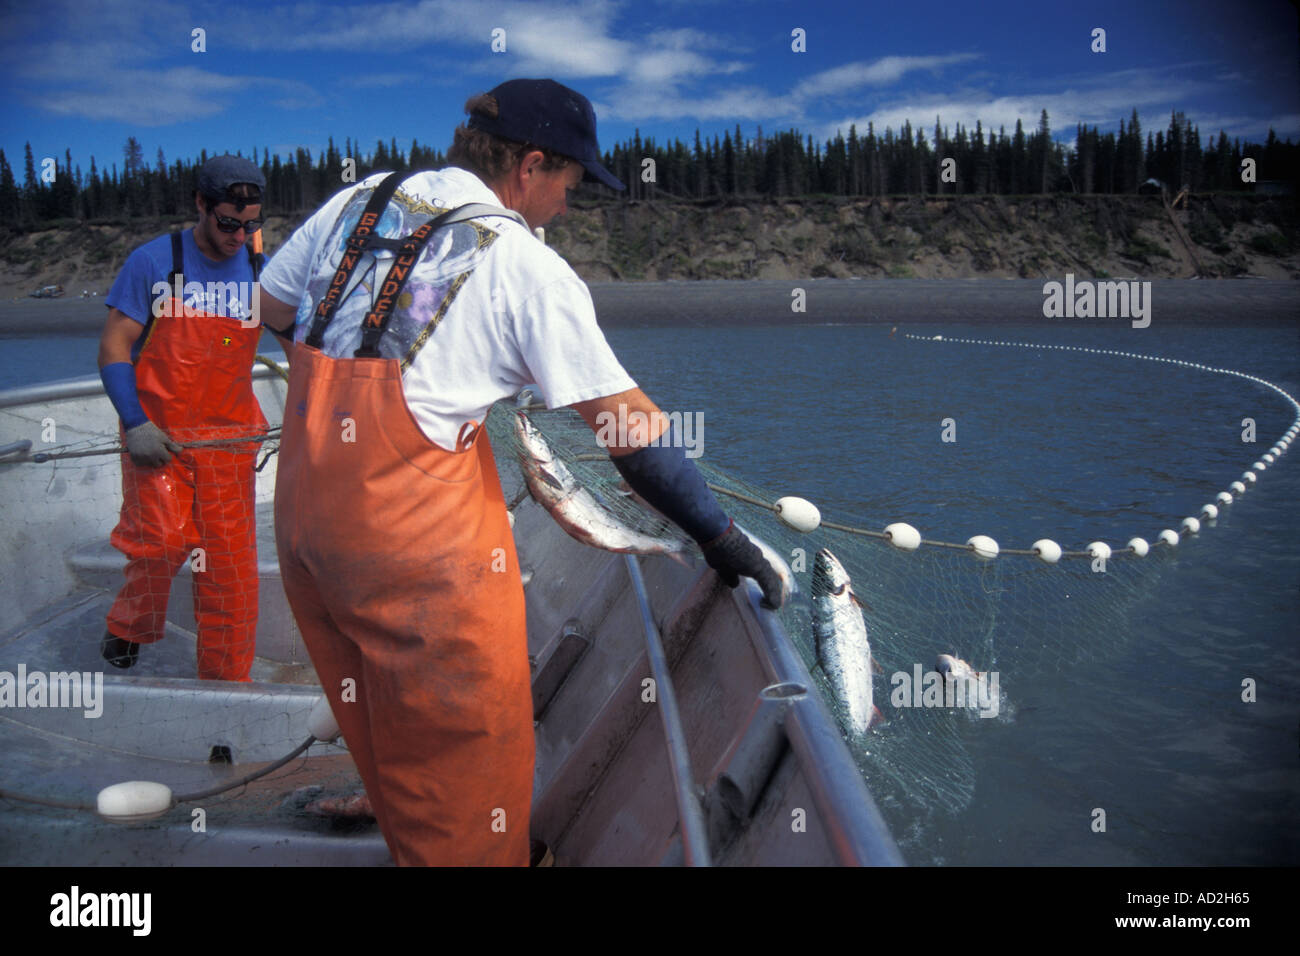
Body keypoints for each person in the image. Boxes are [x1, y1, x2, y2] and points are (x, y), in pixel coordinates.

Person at [257, 78, 784, 866]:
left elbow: (273, 312)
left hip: (305, 533)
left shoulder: (364, 198)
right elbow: (631, 435)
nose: (567, 207)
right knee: (469, 805)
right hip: (416, 567)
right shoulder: (524, 267)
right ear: (531, 164)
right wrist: (720, 536)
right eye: (570, 185)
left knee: (384, 747)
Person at [98, 154, 269, 681]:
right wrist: (135, 423)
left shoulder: (264, 270)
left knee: (231, 577)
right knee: (163, 543)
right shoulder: (153, 261)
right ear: (200, 204)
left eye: (250, 225)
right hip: (160, 440)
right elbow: (114, 348)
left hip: (229, 445)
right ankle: (129, 624)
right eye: (227, 223)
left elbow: (307, 344)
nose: (239, 236)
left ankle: (224, 692)